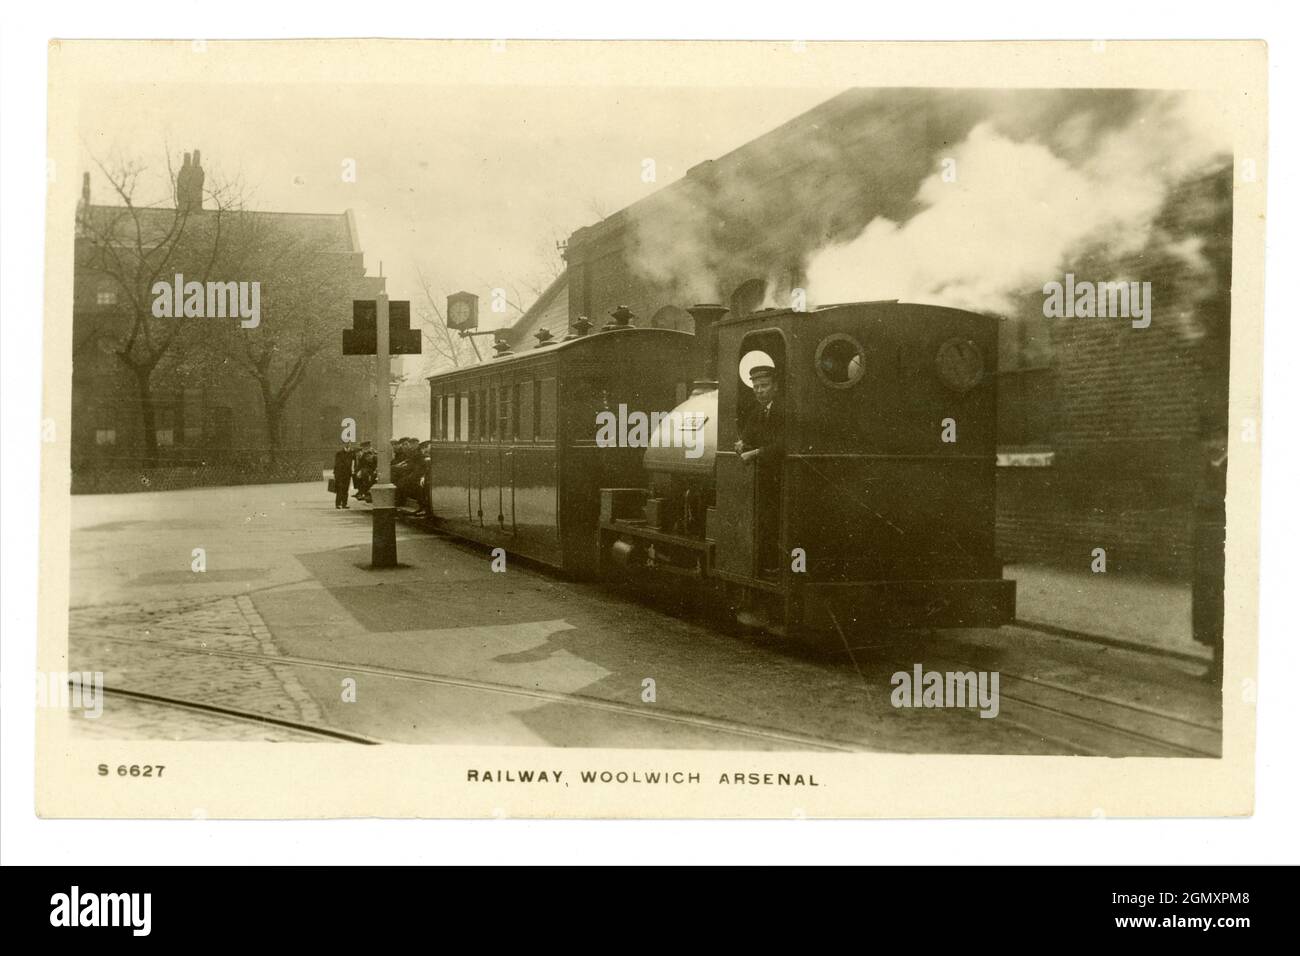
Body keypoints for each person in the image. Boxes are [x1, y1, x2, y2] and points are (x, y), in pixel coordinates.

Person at [734, 364, 785, 576]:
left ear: (775, 387)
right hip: (764, 479)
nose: (760, 390)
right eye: (756, 387)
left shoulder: (783, 410)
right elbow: (747, 437)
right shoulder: (756, 412)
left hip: (781, 480)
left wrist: (754, 453)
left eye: (764, 385)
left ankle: (775, 565)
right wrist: (742, 444)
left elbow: (783, 445)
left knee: (775, 522)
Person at [332, 441, 354, 509]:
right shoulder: (339, 453)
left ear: (350, 444)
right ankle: (338, 504)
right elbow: (336, 464)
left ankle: (344, 503)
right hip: (340, 474)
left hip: (348, 474)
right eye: (346, 443)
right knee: (339, 489)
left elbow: (354, 462)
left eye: (349, 443)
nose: (347, 444)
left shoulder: (352, 453)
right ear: (344, 444)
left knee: (346, 489)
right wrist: (336, 474)